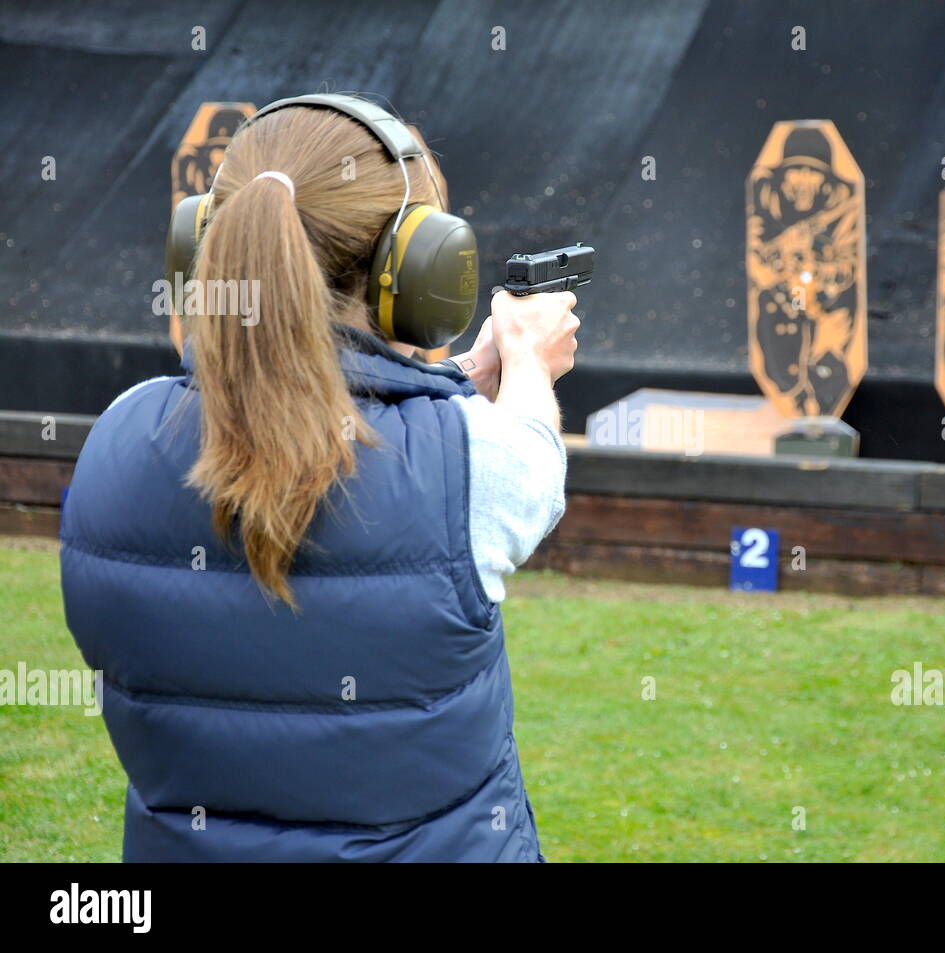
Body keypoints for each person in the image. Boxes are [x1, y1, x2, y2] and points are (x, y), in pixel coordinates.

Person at [59, 99, 579, 861]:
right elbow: (528, 457)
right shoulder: (477, 463)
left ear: (205, 241)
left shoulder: (115, 441)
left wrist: (463, 380)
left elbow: (312, 415)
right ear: (419, 268)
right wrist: (528, 361)